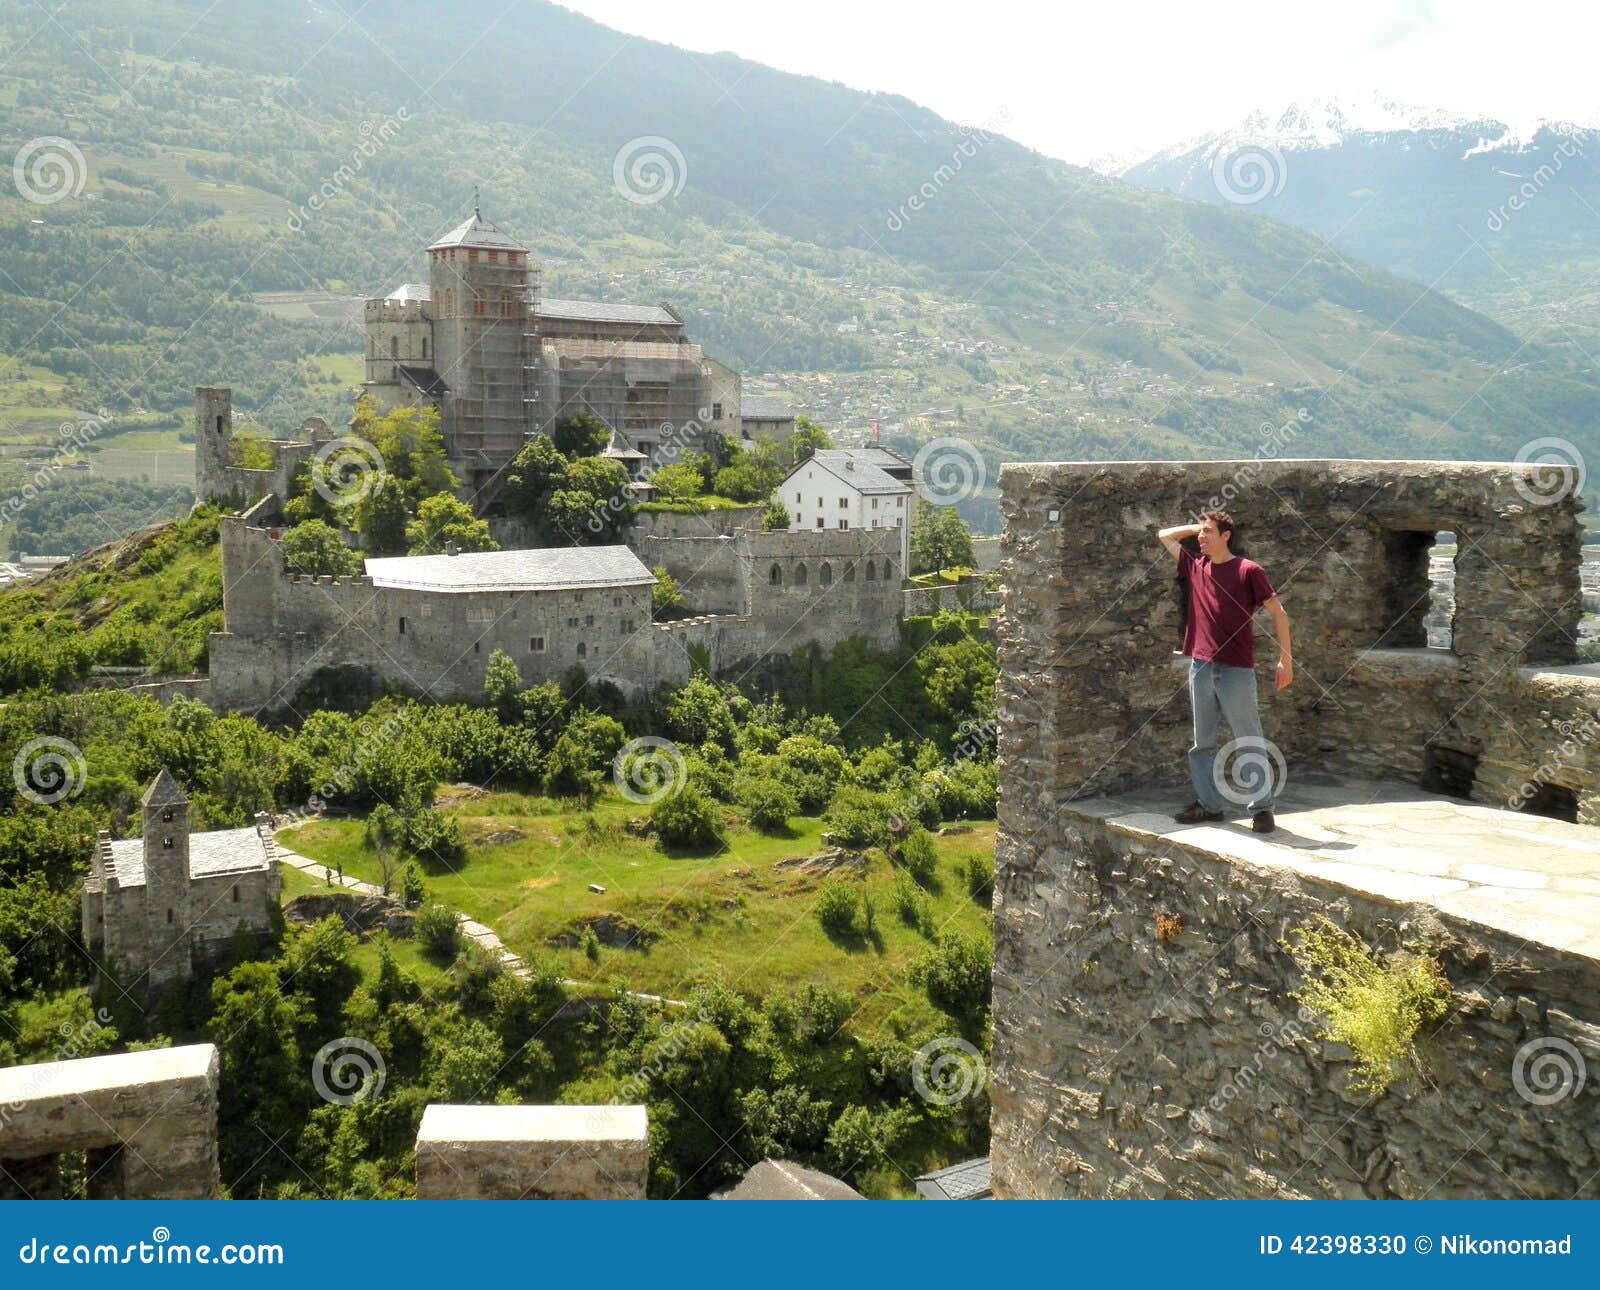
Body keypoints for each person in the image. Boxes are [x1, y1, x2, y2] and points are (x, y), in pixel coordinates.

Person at [1157, 510, 1293, 833]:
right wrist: (1197, 527)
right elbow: (1164, 535)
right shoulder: (1195, 566)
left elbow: (1280, 613)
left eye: (1208, 532)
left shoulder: (1249, 571)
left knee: (1249, 739)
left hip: (1235, 670)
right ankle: (1209, 806)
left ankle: (1262, 810)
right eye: (1200, 533)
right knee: (1201, 743)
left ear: (1226, 535)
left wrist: (1285, 660)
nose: (1201, 538)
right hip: (1200, 666)